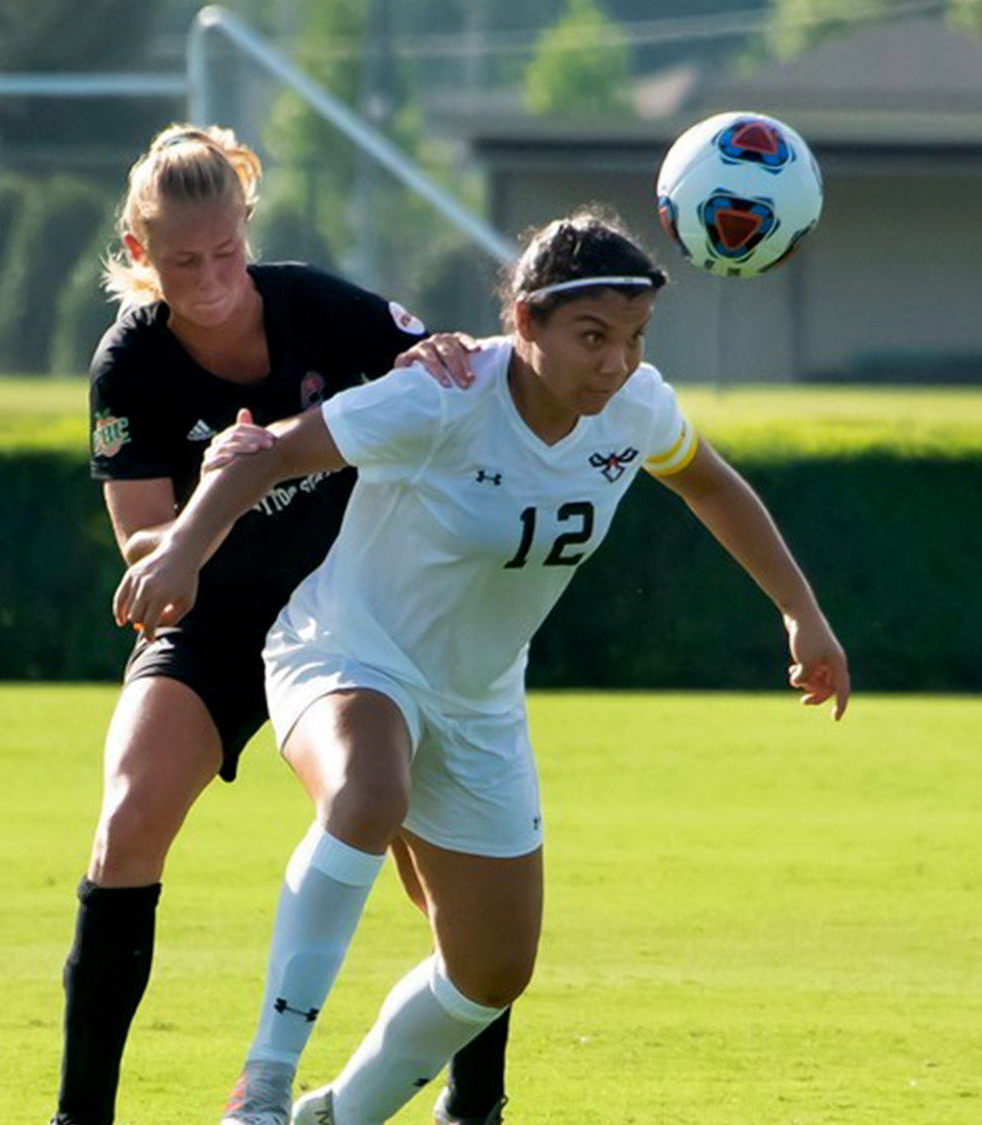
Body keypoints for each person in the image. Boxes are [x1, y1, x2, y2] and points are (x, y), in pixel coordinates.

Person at [113, 208, 851, 1125]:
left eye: (632, 338)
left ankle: (336, 1116)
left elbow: (708, 480)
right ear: (526, 322)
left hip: (479, 702)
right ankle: (260, 1086)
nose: (615, 361)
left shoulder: (637, 407)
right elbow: (266, 453)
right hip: (346, 649)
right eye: (591, 336)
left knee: (492, 969)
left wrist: (801, 612)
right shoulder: (440, 396)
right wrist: (182, 548)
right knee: (367, 795)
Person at [55, 122, 513, 1125]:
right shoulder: (127, 367)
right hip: (216, 623)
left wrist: (443, 351)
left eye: (226, 252)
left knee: (423, 859)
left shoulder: (320, 310)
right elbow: (144, 547)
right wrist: (176, 547)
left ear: (245, 232)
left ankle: (474, 1103)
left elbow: (454, 376)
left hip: (357, 618)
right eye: (182, 262)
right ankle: (78, 1116)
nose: (211, 277)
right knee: (126, 824)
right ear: (140, 255)